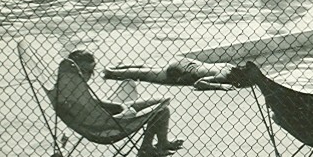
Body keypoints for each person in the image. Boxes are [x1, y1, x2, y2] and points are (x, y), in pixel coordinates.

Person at [59, 50, 180, 157]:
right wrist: (120, 108)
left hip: (99, 120)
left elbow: (94, 104)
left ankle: (158, 144)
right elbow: (94, 108)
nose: (91, 75)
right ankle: (150, 146)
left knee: (153, 98)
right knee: (162, 106)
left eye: (92, 70)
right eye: (87, 71)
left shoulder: (66, 88)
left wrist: (118, 106)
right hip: (109, 125)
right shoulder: (76, 90)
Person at [104, 57, 253, 91]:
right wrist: (220, 87)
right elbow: (198, 83)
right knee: (145, 74)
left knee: (149, 69)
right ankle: (112, 72)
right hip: (181, 71)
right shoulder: (223, 76)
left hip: (186, 62)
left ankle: (118, 68)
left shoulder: (229, 66)